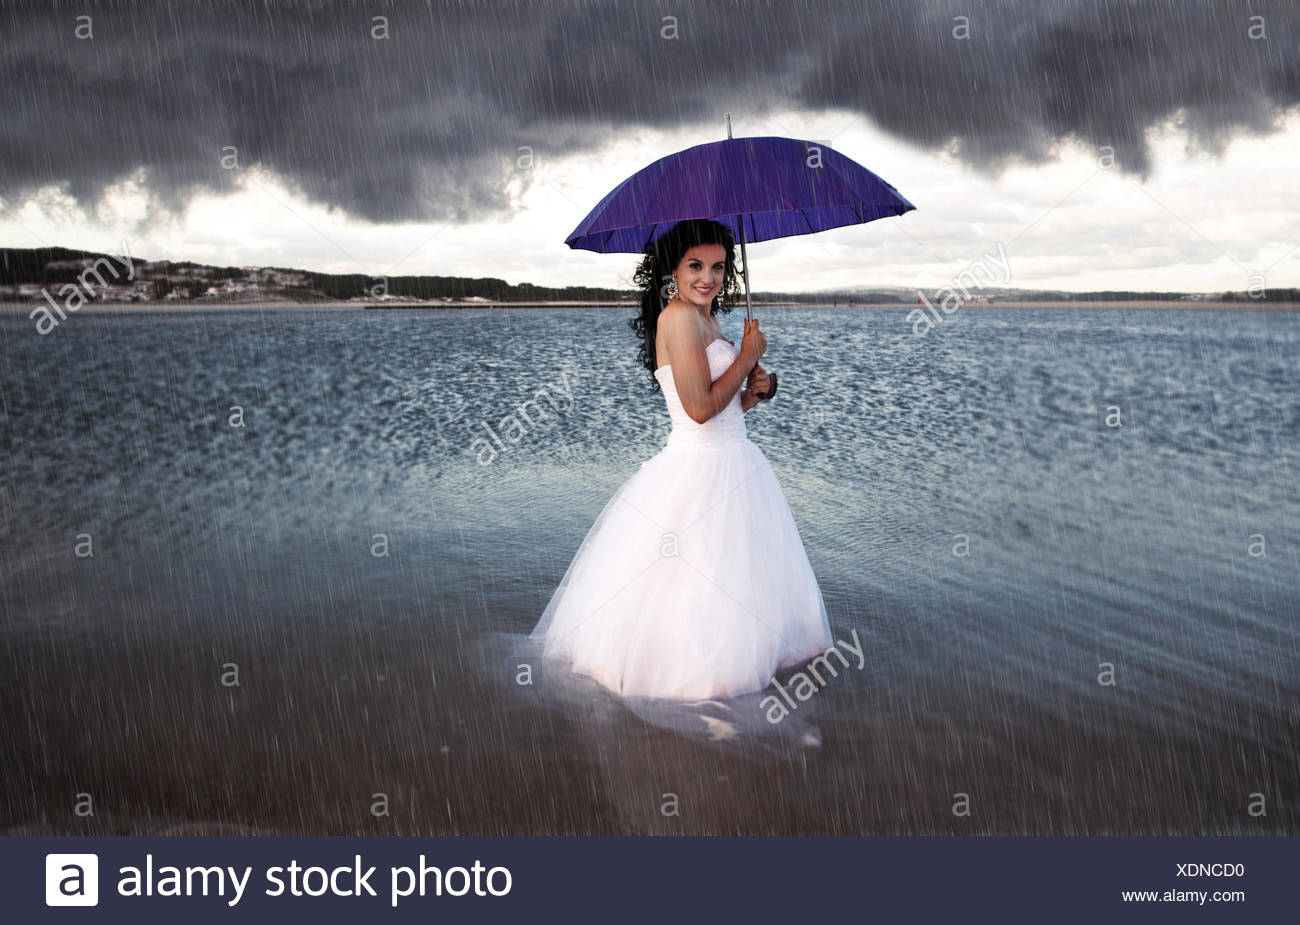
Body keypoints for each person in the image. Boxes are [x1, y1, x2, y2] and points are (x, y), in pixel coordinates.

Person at [528, 219, 834, 701]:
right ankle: (699, 680)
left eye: (717, 266)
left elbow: (728, 408)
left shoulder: (709, 320)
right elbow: (698, 409)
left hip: (737, 462)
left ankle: (747, 664)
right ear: (673, 267)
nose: (707, 277)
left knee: (739, 577)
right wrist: (746, 355)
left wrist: (761, 388)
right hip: (700, 470)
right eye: (695, 265)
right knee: (703, 580)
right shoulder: (677, 318)